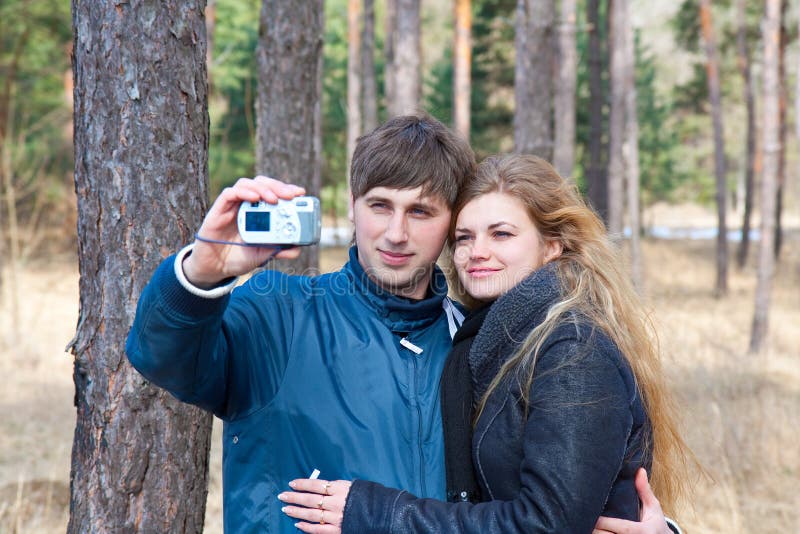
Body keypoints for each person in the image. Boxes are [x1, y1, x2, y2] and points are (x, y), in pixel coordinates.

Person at [127, 113, 674, 533]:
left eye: (421, 212)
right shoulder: (279, 312)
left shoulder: (481, 340)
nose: (395, 233)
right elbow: (163, 357)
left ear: (448, 225)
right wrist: (201, 272)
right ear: (353, 206)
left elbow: (544, 497)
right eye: (380, 205)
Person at [278, 154, 691, 533]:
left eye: (501, 234)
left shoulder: (572, 351)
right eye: (464, 238)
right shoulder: (494, 337)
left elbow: (545, 524)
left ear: (552, 245)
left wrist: (380, 514)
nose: (477, 252)